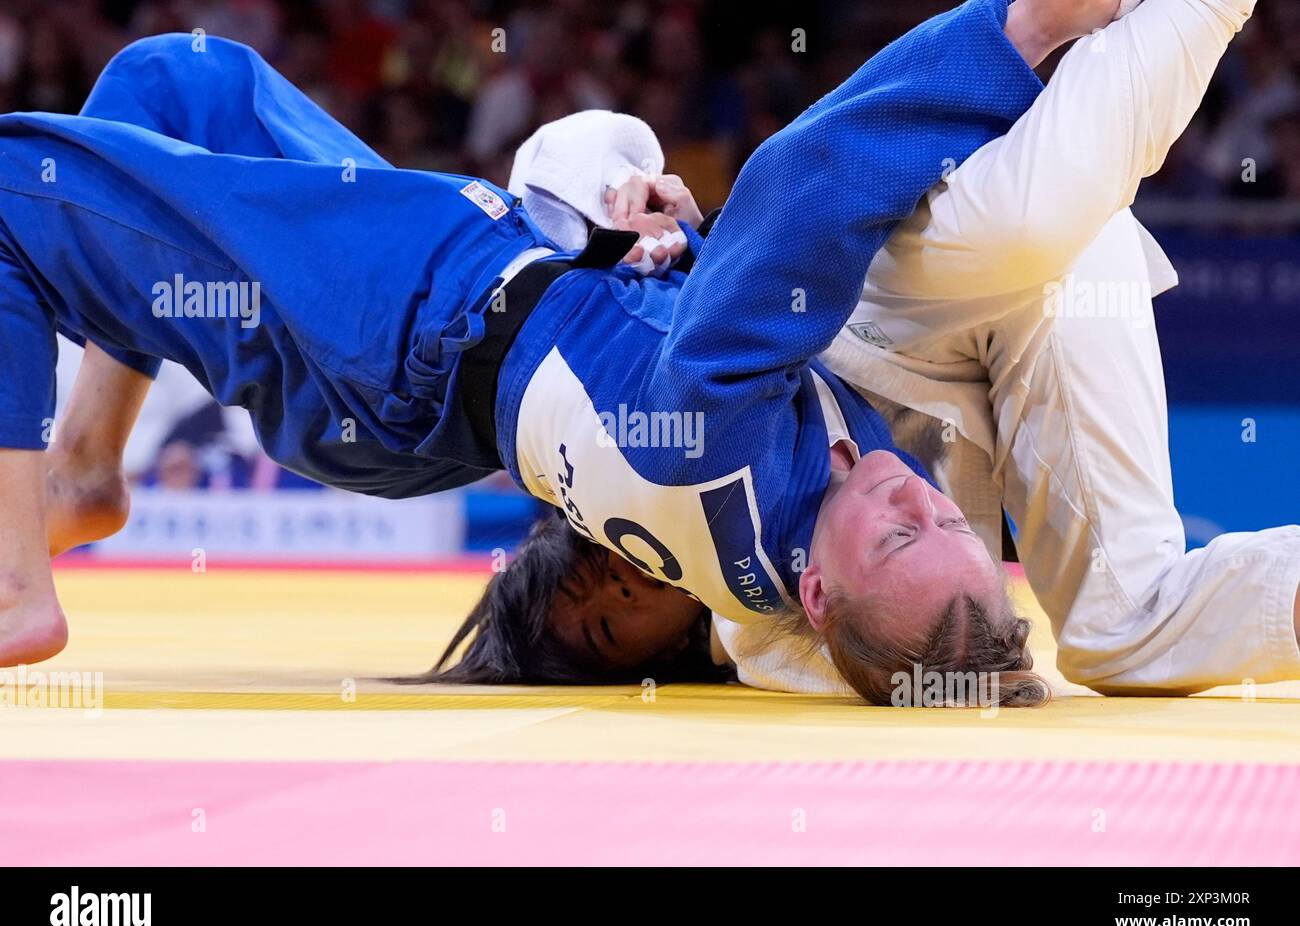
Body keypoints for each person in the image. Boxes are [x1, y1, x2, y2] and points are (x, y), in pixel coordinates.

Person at [0, 0, 1121, 702]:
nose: (912, 493)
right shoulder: (803, 511)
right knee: (177, 84)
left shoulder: (727, 454)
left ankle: (14, 586)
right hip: (441, 334)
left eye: (897, 532)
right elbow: (713, 330)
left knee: (14, 189)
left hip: (397, 322)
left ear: (817, 593)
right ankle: (90, 464)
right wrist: (678, 247)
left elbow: (804, 185)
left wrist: (1019, 33)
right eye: (943, 516)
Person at [441, 0, 1298, 703]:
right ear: (644, 663)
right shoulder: (769, 638)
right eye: (612, 623)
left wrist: (618, 210)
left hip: (885, 306)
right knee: (1122, 631)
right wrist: (984, 681)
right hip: (1045, 321)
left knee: (1023, 232)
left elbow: (548, 184)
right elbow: (941, 659)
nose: (633, 581)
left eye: (602, 565)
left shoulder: (629, 428)